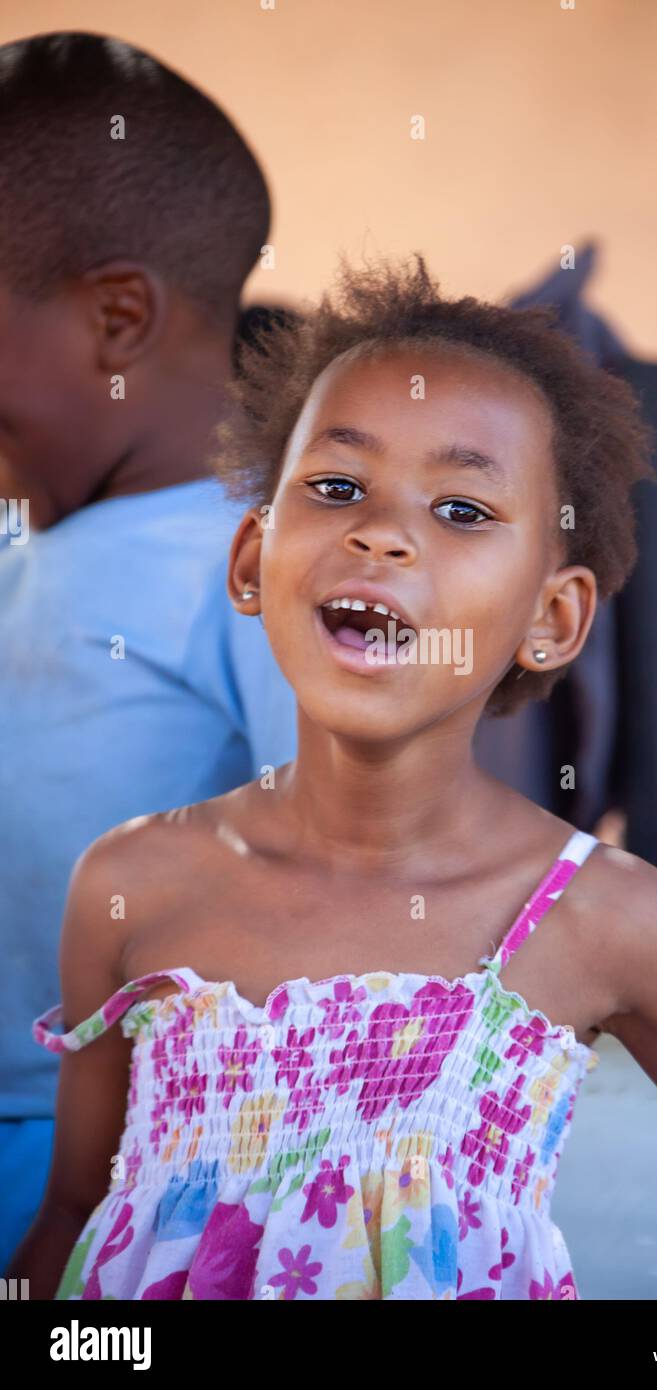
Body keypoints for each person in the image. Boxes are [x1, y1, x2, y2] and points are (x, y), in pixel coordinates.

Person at [11, 253, 657, 1300]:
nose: (383, 532)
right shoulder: (132, 881)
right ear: (253, 561)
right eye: (339, 486)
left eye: (461, 510)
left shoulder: (609, 920)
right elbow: (77, 1215)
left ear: (553, 618)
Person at [0, 32, 297, 1271]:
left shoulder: (260, 569)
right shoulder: (31, 538)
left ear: (117, 318)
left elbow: (346, 903)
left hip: (120, 1165)